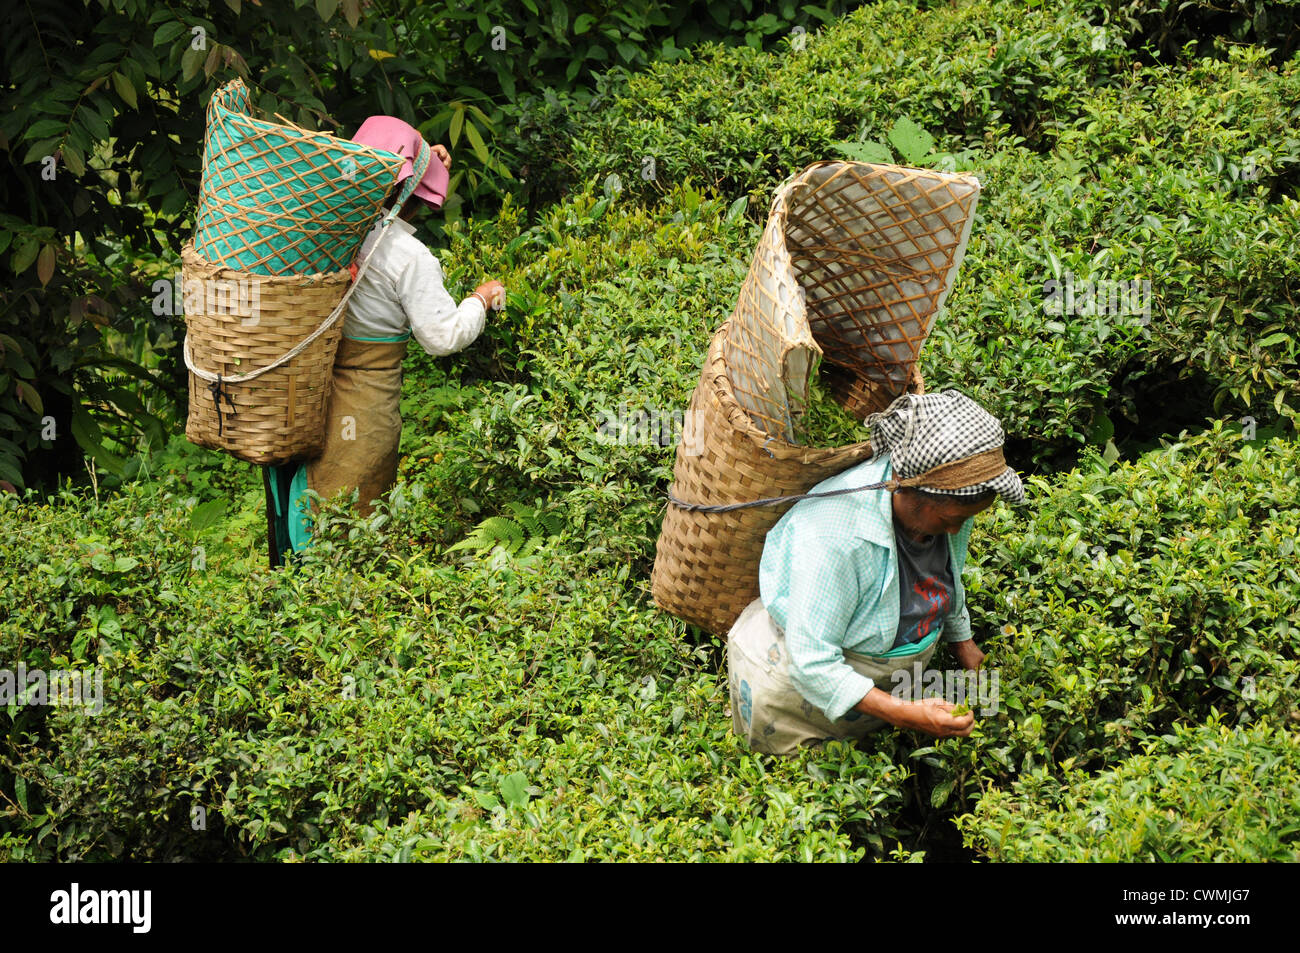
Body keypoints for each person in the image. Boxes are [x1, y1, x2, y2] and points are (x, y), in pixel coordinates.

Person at [726, 388, 1025, 755]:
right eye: (951, 519)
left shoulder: (952, 508)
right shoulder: (835, 537)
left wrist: (961, 640)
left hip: (880, 685)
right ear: (910, 490)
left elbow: (943, 576)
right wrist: (906, 715)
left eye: (965, 520)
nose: (955, 531)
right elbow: (813, 662)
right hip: (791, 692)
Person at [269, 116, 504, 558]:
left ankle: (294, 592)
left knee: (310, 496)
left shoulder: (319, 231)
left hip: (304, 393)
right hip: (366, 398)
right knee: (352, 512)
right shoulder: (409, 256)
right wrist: (480, 299)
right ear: (413, 192)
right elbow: (441, 337)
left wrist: (419, 159)